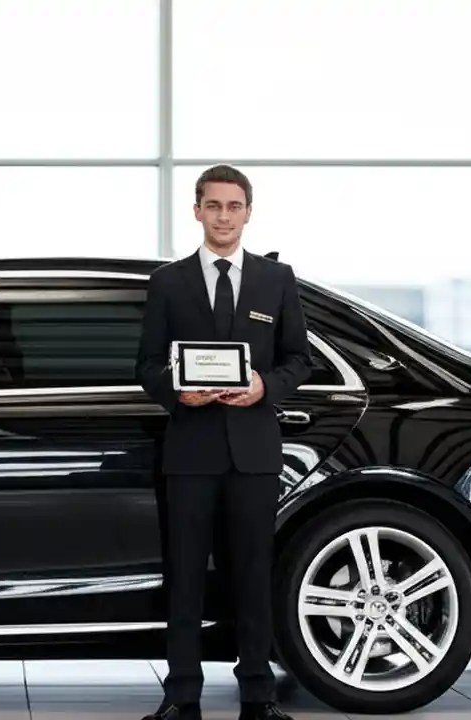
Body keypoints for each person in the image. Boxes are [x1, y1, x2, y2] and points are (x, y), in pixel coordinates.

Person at [136, 165, 311, 720]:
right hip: (189, 452)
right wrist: (175, 394)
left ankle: (257, 695)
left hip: (254, 451)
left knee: (254, 578)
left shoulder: (275, 281)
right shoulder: (168, 282)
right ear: (197, 212)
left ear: (248, 213)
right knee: (184, 578)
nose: (223, 216)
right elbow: (145, 365)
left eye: (234, 206)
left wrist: (266, 387)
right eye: (213, 206)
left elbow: (298, 360)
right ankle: (181, 694)